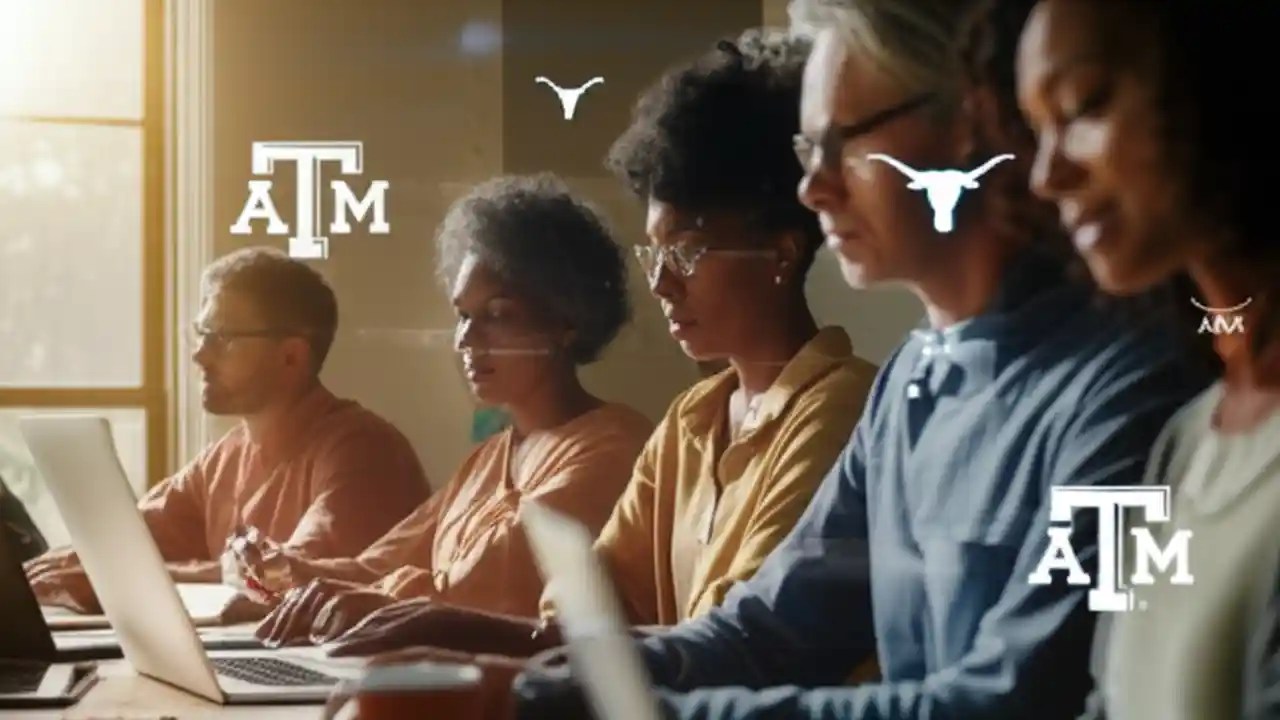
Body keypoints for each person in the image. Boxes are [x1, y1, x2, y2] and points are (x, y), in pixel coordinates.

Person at [511, 0, 1210, 717]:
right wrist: (531, 684)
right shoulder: (912, 380)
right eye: (807, 153)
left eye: (843, 142)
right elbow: (772, 627)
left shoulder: (1136, 390)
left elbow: (1015, 700)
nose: (814, 189)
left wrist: (636, 709)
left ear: (976, 122)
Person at [312, 29, 878, 661]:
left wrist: (460, 630)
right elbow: (585, 608)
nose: (661, 283)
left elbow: (736, 645)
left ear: (781, 252)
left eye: (687, 252)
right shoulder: (690, 421)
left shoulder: (842, 412)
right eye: (655, 253)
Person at [228, 174, 655, 646]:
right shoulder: (490, 457)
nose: (467, 341)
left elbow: (478, 595)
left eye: (497, 315)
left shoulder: (612, 450)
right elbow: (377, 566)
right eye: (463, 316)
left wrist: (357, 596)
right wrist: (284, 569)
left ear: (566, 322)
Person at [1016, 2, 1280, 717]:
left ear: (1218, 75)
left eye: (1083, 107)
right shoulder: (1185, 444)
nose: (1045, 175)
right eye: (1037, 129)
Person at [24, 247, 430, 614]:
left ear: (291, 357)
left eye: (222, 338)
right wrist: (51, 571)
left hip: (334, 686)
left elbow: (286, 578)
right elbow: (128, 544)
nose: (200, 355)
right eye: (201, 335)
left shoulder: (364, 453)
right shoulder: (223, 458)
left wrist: (108, 578)